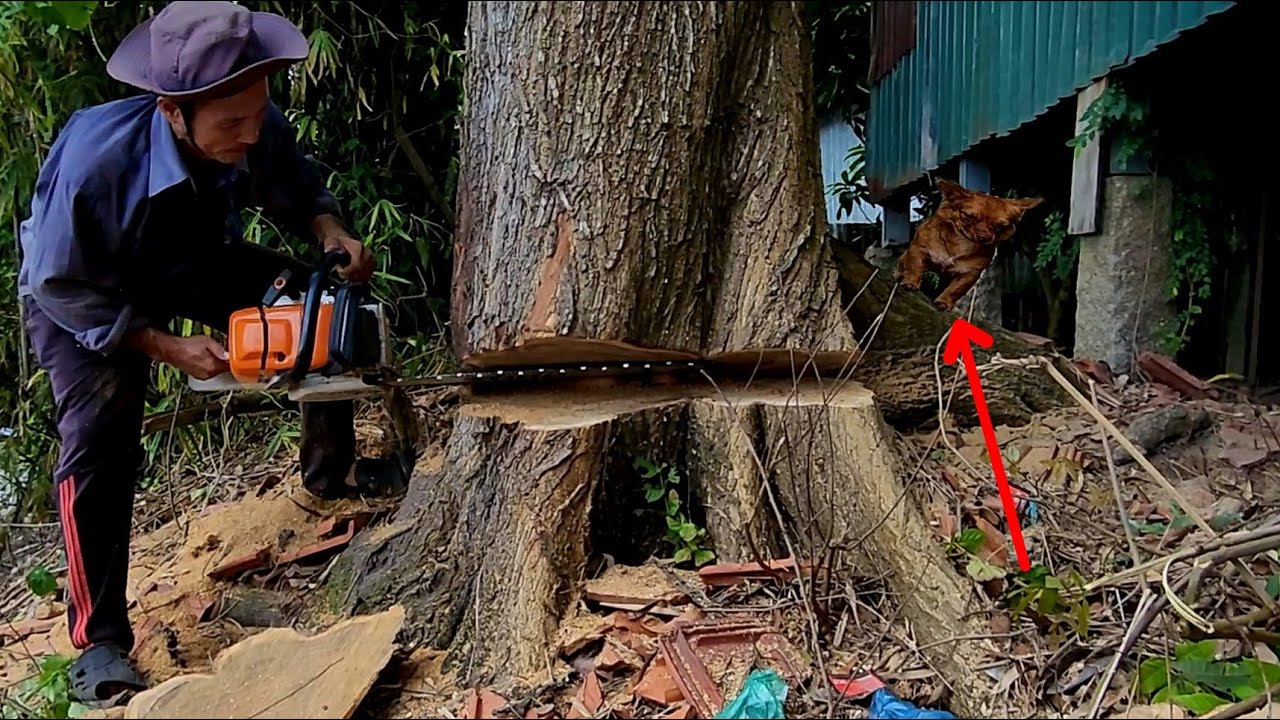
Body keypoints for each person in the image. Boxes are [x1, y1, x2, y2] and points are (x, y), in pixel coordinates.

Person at [17, 1, 410, 705]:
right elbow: (57, 282)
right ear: (173, 111)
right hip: (84, 293)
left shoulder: (249, 116)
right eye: (231, 126)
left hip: (187, 258)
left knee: (312, 303)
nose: (249, 133)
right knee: (100, 433)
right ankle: (98, 641)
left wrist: (331, 233)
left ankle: (332, 473)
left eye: (256, 116)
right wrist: (164, 345)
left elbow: (298, 186)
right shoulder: (95, 164)